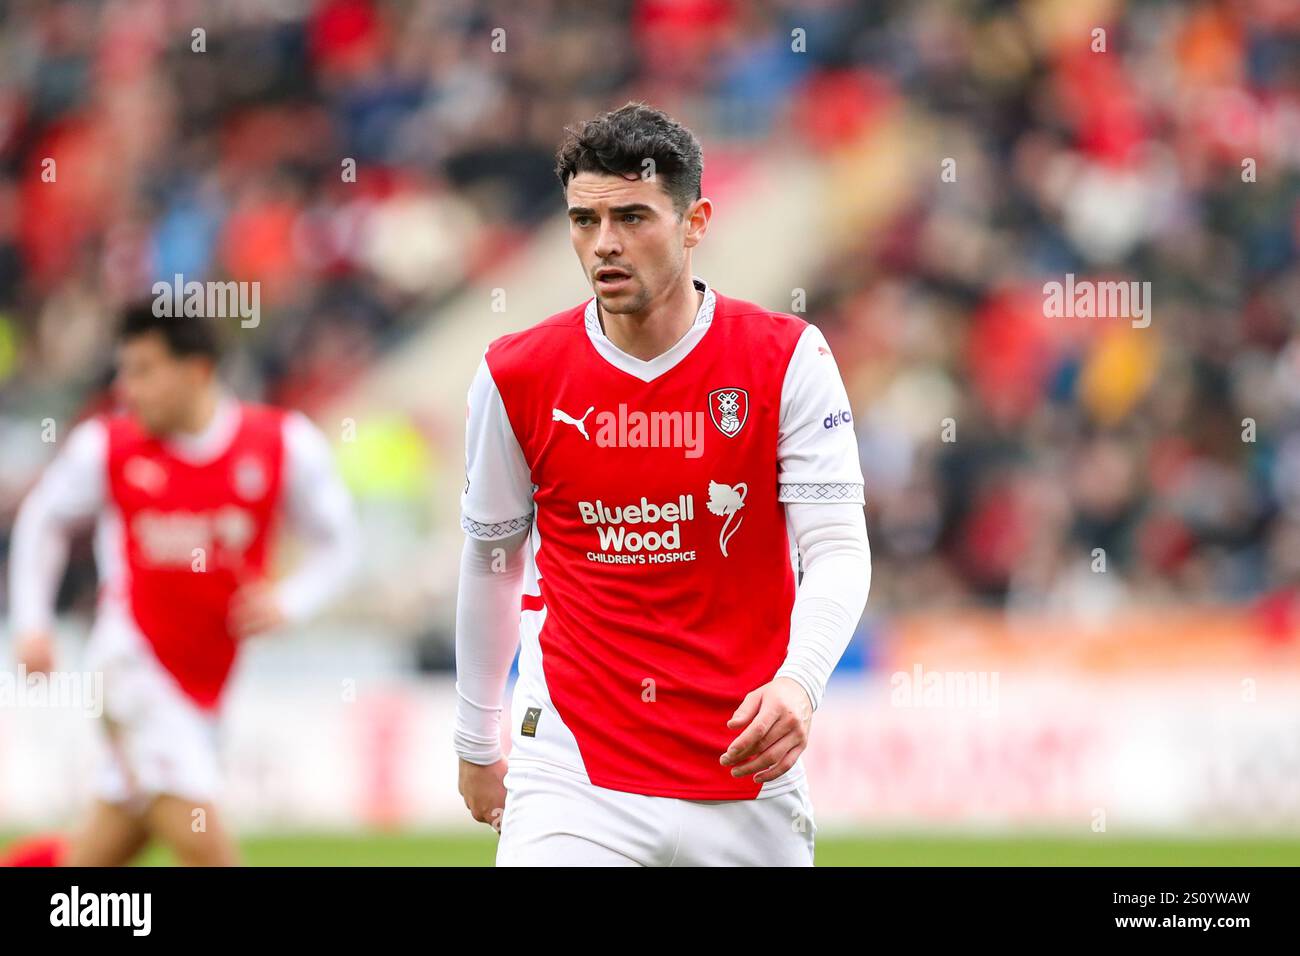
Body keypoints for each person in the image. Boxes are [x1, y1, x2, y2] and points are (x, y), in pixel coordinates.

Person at [454, 102, 872, 866]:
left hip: (746, 769)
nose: (604, 244)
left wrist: (801, 684)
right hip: (573, 772)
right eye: (584, 220)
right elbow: (492, 561)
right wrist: (476, 739)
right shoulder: (516, 376)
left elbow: (839, 550)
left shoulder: (787, 360)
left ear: (695, 221)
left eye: (633, 217)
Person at [4, 305, 359, 866]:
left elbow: (341, 544)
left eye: (144, 371)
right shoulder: (107, 446)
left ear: (196, 370)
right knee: (208, 850)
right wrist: (32, 623)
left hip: (207, 682)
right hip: (131, 668)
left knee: (98, 852)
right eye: (124, 372)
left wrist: (290, 600)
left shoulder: (282, 443)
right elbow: (43, 520)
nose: (128, 389)